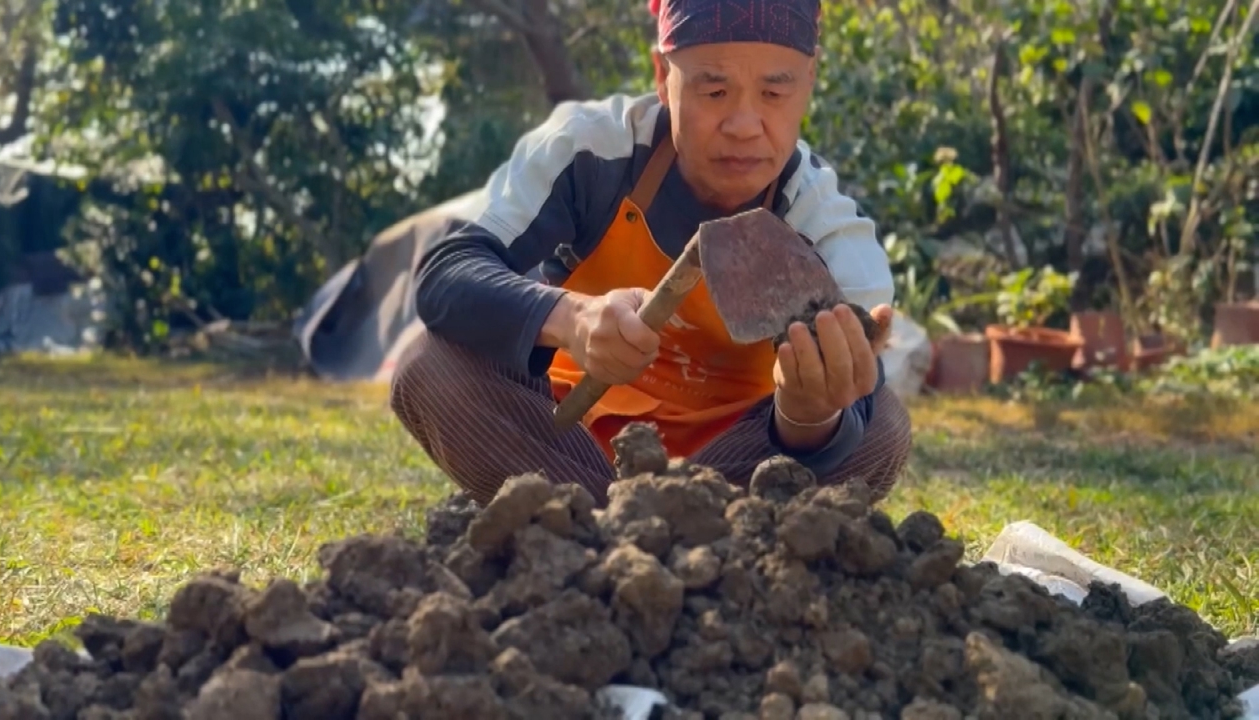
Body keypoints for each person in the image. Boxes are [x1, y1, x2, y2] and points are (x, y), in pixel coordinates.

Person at [390, 0, 912, 506]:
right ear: (662, 75)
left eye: (774, 92)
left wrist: (806, 414)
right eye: (714, 91)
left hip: (735, 463)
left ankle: (607, 525)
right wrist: (572, 318)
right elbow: (448, 272)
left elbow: (856, 390)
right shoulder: (590, 149)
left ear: (808, 81)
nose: (744, 124)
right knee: (429, 364)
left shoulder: (823, 221)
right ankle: (632, 523)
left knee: (880, 427)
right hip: (570, 444)